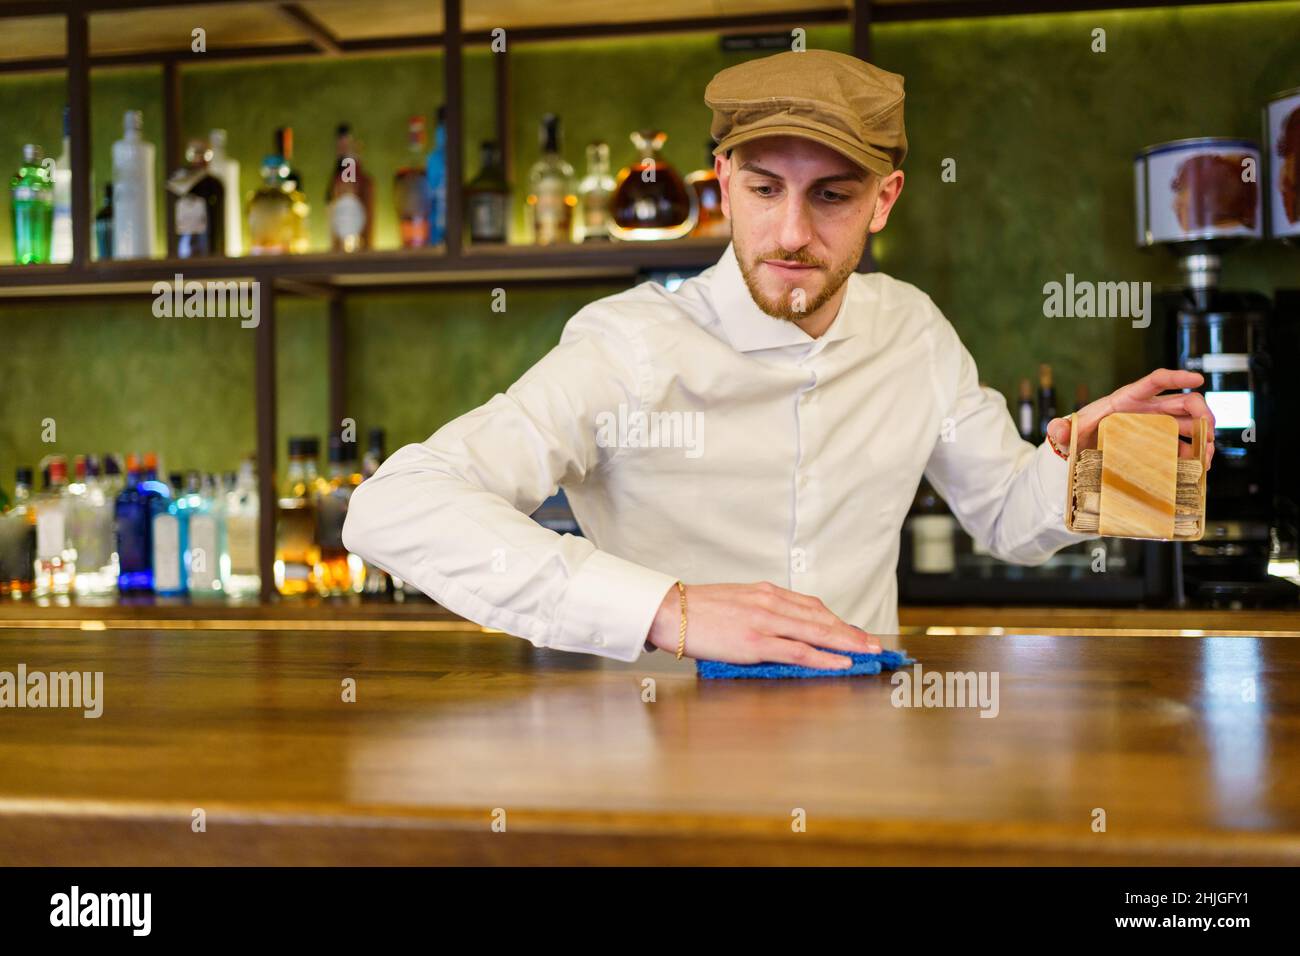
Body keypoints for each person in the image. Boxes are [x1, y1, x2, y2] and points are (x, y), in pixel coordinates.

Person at [342, 49, 1214, 669]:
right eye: (764, 189)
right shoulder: (626, 347)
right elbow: (393, 508)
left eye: (832, 197)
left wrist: (1102, 460)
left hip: (862, 758)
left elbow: (1007, 516)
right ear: (721, 180)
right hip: (657, 769)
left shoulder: (912, 331)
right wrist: (669, 611)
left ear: (885, 200)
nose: (792, 234)